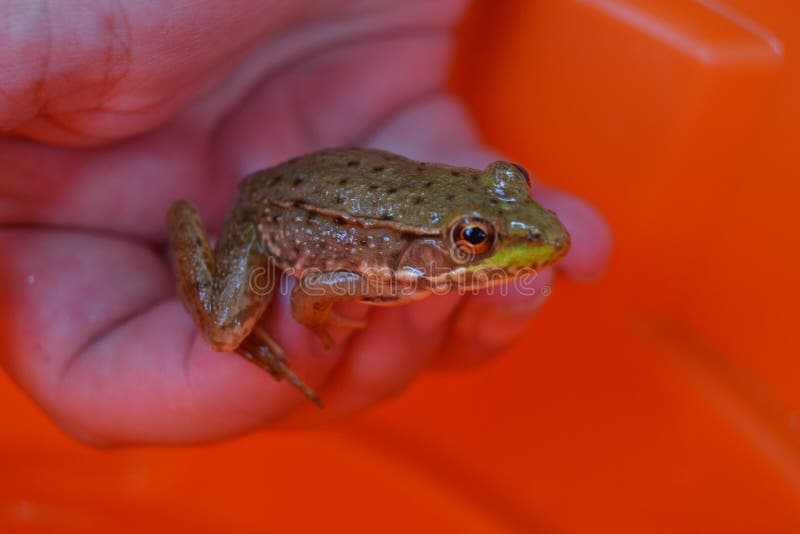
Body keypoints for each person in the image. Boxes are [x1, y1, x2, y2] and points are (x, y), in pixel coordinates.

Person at [0, 0, 611, 444]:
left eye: (483, 231)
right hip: (269, 221)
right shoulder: (382, 276)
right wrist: (319, 320)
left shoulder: (419, 250)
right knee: (223, 332)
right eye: (476, 240)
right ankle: (188, 229)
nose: (534, 238)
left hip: (321, 175)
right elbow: (313, 291)